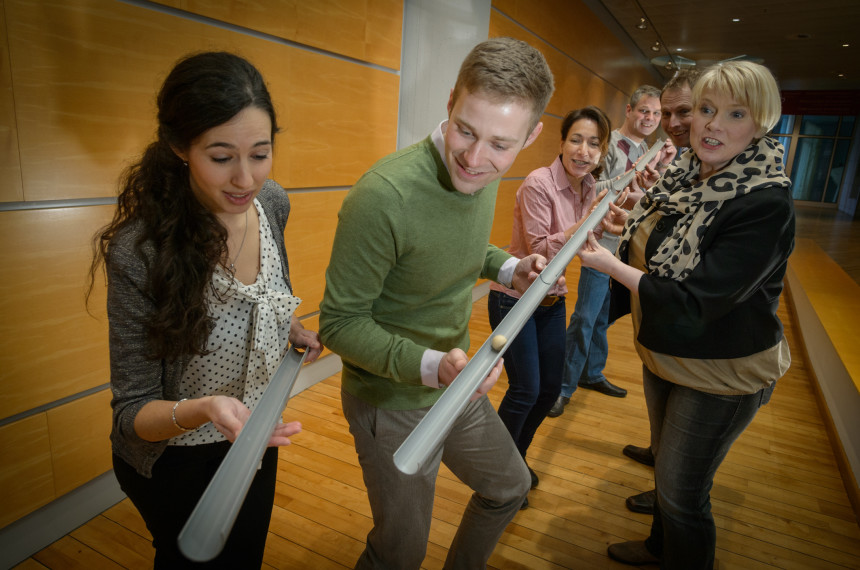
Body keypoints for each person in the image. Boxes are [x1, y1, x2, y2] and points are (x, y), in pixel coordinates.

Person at [319, 37, 556, 569]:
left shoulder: (485, 169)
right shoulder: (383, 195)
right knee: (399, 555)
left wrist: (509, 268)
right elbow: (338, 323)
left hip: (456, 385)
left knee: (509, 487)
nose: (475, 159)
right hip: (390, 401)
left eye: (501, 144)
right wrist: (433, 367)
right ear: (451, 101)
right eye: (465, 131)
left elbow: (456, 248)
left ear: (531, 135)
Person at [88, 51, 322, 567]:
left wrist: (291, 326)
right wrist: (207, 409)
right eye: (221, 158)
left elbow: (261, 296)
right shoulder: (141, 251)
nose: (245, 179)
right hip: (178, 458)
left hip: (255, 434)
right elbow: (132, 413)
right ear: (179, 147)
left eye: (260, 154)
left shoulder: (273, 203)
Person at [578, 61, 794, 568]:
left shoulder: (764, 203)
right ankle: (659, 548)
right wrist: (626, 221)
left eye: (734, 113)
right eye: (706, 110)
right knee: (667, 478)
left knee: (682, 492)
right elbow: (661, 236)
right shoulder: (689, 173)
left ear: (760, 123)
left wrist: (611, 266)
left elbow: (699, 299)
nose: (712, 125)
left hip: (720, 370)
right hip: (667, 353)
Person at [488, 106, 612, 508]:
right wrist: (589, 221)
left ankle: (515, 462)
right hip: (514, 299)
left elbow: (581, 245)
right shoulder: (537, 183)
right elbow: (541, 250)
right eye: (576, 139)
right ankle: (497, 477)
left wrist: (603, 220)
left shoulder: (589, 185)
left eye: (594, 143)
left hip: (552, 298)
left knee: (547, 392)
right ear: (561, 143)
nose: (584, 150)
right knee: (524, 391)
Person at [549, 85, 667, 418]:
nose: (650, 118)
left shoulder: (646, 147)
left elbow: (636, 193)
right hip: (600, 244)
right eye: (645, 110)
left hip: (625, 246)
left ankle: (591, 373)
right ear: (629, 110)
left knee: (601, 317)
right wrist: (626, 182)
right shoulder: (607, 143)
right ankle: (562, 387)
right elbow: (589, 185)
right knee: (585, 317)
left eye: (656, 113)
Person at [622, 68, 702, 516]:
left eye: (684, 111)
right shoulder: (682, 167)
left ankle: (665, 493)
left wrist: (613, 261)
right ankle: (658, 454)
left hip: (691, 341)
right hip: (657, 328)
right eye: (664, 112)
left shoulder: (726, 183)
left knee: (682, 475)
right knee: (659, 404)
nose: (671, 122)